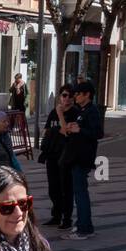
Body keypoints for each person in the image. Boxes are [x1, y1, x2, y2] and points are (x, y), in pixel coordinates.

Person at [63, 81, 102, 240]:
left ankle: (84, 228)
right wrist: (73, 127)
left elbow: (98, 133)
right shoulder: (82, 110)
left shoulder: (92, 111)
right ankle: (82, 224)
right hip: (76, 155)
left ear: (87, 95)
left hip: (83, 157)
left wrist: (80, 129)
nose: (75, 96)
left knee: (80, 193)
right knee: (78, 192)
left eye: (79, 94)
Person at [40, 85, 75, 231]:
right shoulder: (53, 113)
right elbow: (47, 130)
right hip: (52, 154)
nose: (66, 98)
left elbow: (66, 131)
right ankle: (56, 215)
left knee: (65, 188)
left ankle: (67, 218)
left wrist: (60, 114)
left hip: (66, 156)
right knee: (53, 187)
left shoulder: (75, 113)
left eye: (69, 96)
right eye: (63, 95)